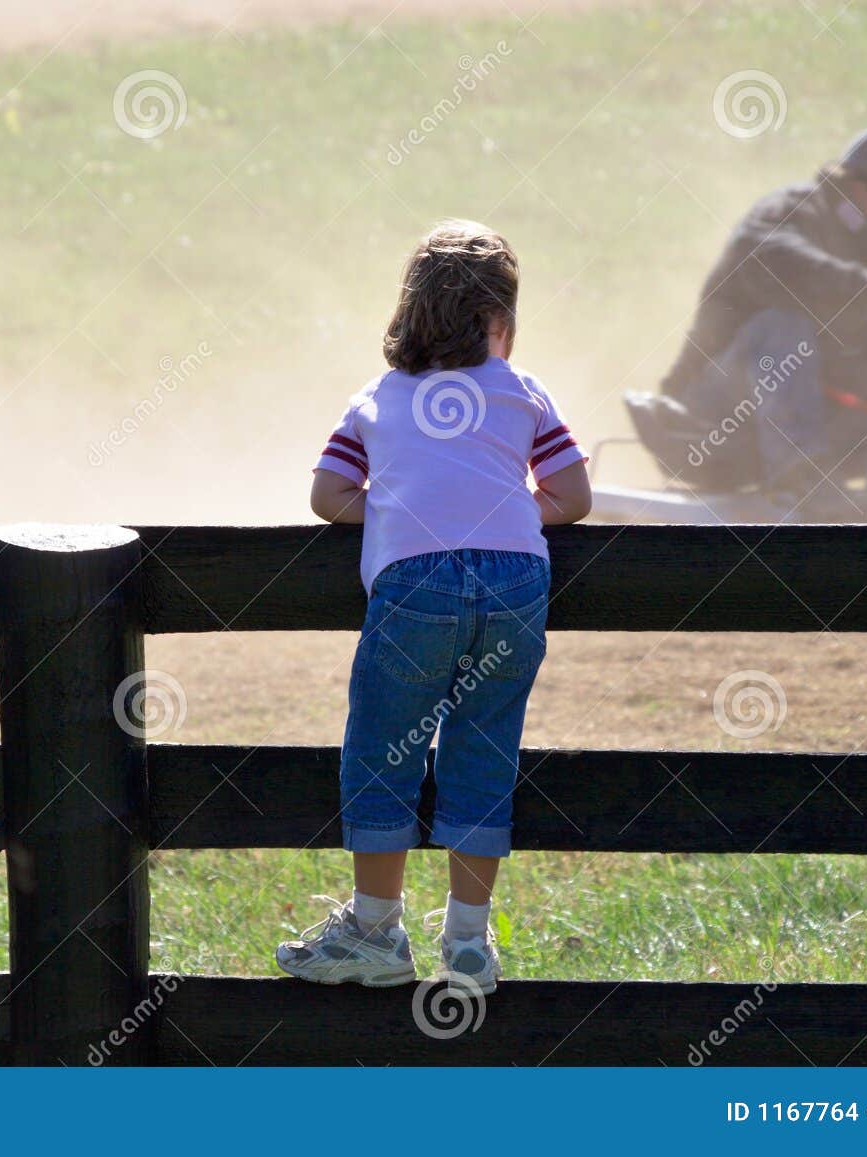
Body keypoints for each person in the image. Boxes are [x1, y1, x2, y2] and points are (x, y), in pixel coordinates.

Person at [275, 220, 592, 995]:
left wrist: (399, 507)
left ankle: (377, 930)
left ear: (409, 315)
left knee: (386, 747)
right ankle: (470, 945)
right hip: (516, 585)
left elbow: (326, 496)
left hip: (416, 587)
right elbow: (573, 496)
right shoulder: (524, 391)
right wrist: (503, 510)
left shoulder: (376, 398)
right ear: (501, 322)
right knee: (483, 749)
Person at [662, 122, 867, 501]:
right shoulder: (793, 211)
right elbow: (774, 260)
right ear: (864, 188)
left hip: (826, 424)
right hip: (713, 418)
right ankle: (804, 478)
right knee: (783, 323)